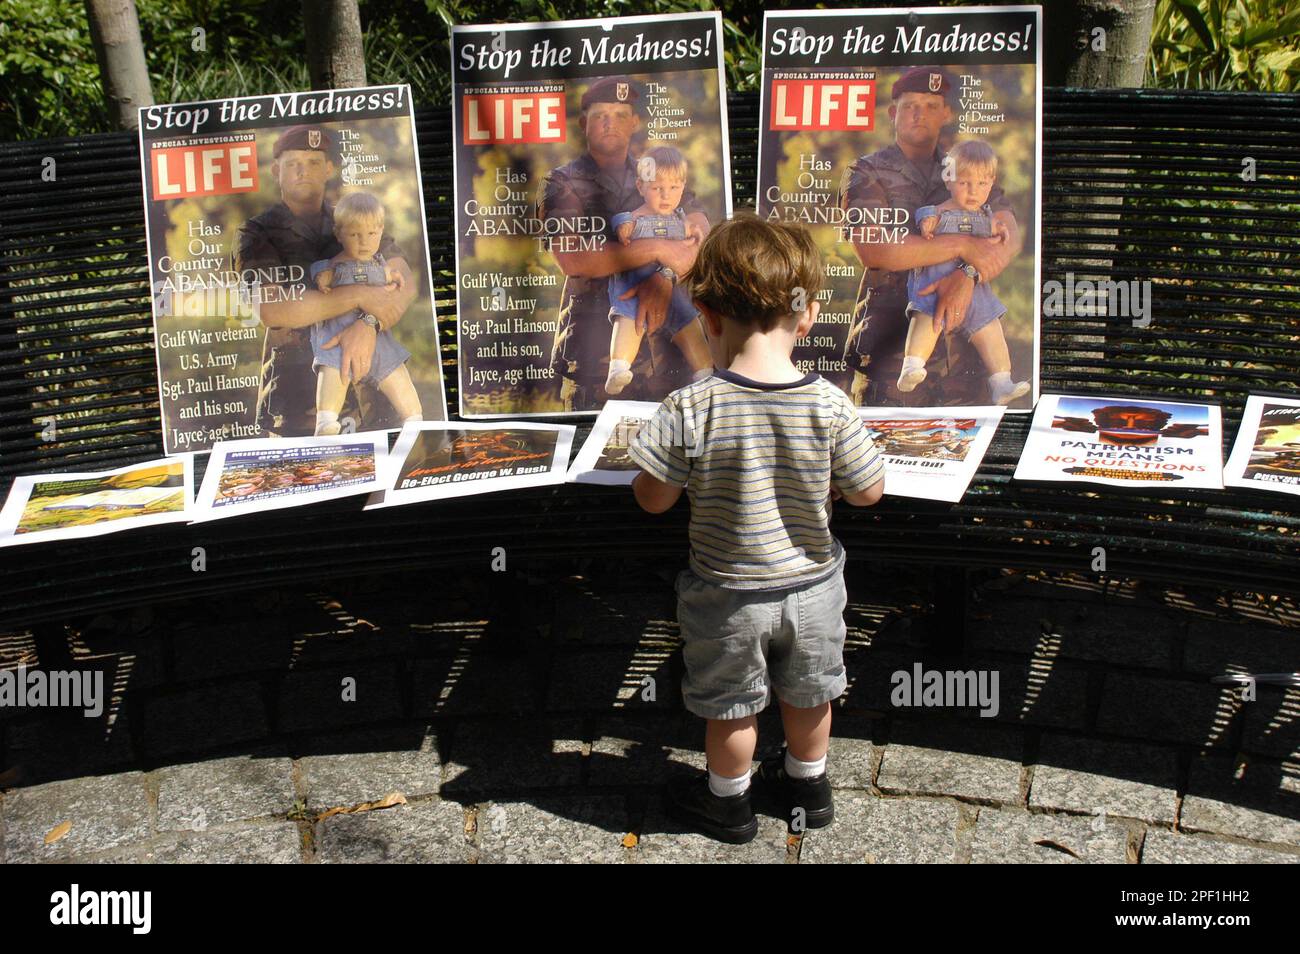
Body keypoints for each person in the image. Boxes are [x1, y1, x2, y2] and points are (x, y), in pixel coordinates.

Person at [627, 213, 886, 844]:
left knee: (732, 705)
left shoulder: (691, 405)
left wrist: (660, 470)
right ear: (808, 315)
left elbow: (653, 500)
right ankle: (808, 785)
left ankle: (727, 803)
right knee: (809, 693)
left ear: (708, 317)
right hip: (814, 589)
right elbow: (868, 491)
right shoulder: (829, 404)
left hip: (728, 595)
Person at [839, 67, 1023, 407]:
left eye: (931, 105)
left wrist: (966, 275)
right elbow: (875, 249)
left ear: (946, 114)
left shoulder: (969, 166)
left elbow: (1008, 236)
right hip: (890, 358)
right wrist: (965, 246)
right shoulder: (868, 171)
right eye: (910, 105)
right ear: (893, 113)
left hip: (964, 361)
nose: (920, 114)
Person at [538, 76, 712, 411]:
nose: (609, 123)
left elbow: (698, 235)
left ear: (635, 122)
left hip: (667, 357)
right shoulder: (563, 182)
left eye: (620, 115)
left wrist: (663, 278)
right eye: (600, 114)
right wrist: (656, 251)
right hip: (596, 357)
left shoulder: (660, 173)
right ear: (583, 123)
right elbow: (573, 260)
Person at [237, 124, 417, 436]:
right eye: (293, 164)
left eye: (313, 163)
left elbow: (405, 283)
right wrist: (359, 296)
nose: (303, 172)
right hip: (301, 400)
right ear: (275, 170)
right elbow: (272, 309)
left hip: (372, 394)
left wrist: (369, 323)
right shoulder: (257, 232)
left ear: (329, 169)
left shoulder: (356, 216)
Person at [900, 140, 1030, 405]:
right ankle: (911, 366)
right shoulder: (940, 211)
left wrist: (1000, 233)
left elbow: (998, 242)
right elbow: (925, 218)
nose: (973, 191)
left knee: (991, 330)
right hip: (934, 283)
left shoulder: (988, 217)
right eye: (964, 183)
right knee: (928, 319)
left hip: (976, 292)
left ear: (992, 182)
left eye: (982, 184)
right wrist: (927, 224)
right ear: (948, 181)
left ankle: (1001, 381)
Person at [310, 191, 423, 435]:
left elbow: (394, 287)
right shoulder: (334, 266)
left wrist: (393, 278)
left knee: (396, 373)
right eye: (354, 235)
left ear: (381, 231)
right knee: (333, 371)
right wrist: (324, 278)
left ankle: (415, 419)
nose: (364, 242)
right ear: (338, 234)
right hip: (339, 337)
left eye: (371, 233)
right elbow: (322, 278)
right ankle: (326, 421)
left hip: (379, 340)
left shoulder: (380, 264)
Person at [605, 146, 713, 395]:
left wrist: (694, 235)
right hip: (632, 284)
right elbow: (619, 223)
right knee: (629, 321)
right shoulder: (634, 217)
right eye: (657, 189)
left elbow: (693, 244)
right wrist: (622, 228)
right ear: (641, 187)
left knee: (690, 323)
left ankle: (705, 372)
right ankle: (618, 367)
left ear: (683, 186)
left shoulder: (681, 219)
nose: (666, 196)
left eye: (674, 188)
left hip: (670, 288)